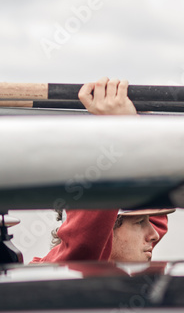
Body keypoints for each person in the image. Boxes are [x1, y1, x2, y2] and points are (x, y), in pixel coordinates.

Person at [32, 77, 173, 264]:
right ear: (103, 230)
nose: (154, 234)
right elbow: (86, 239)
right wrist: (124, 131)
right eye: (140, 222)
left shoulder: (109, 258)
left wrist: (140, 130)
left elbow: (156, 199)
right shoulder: (58, 273)